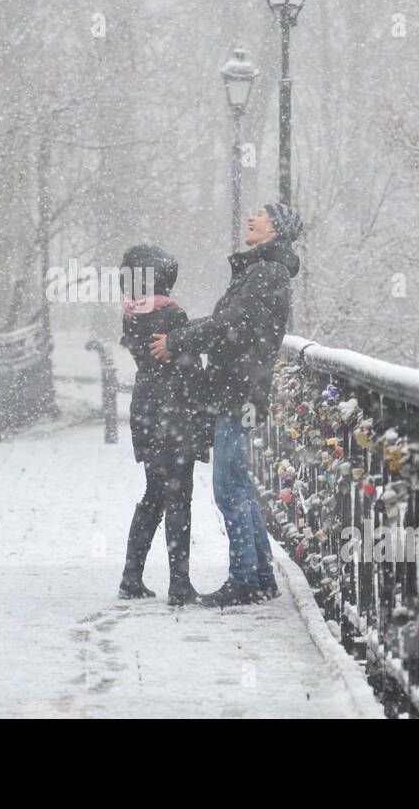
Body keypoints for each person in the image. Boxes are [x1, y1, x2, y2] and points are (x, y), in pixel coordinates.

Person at [150, 203, 304, 607]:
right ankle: (261, 576)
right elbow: (226, 320)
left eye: (261, 215)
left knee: (228, 489)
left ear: (274, 231)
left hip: (238, 394)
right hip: (240, 391)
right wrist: (184, 332)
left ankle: (244, 581)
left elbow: (229, 325)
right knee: (240, 487)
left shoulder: (264, 273)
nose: (252, 218)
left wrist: (177, 340)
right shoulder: (263, 271)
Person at [116, 244, 212, 606]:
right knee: (179, 497)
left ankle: (131, 576)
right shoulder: (169, 314)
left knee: (154, 495)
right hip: (174, 412)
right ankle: (179, 583)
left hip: (147, 410)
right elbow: (187, 354)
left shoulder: (134, 313)